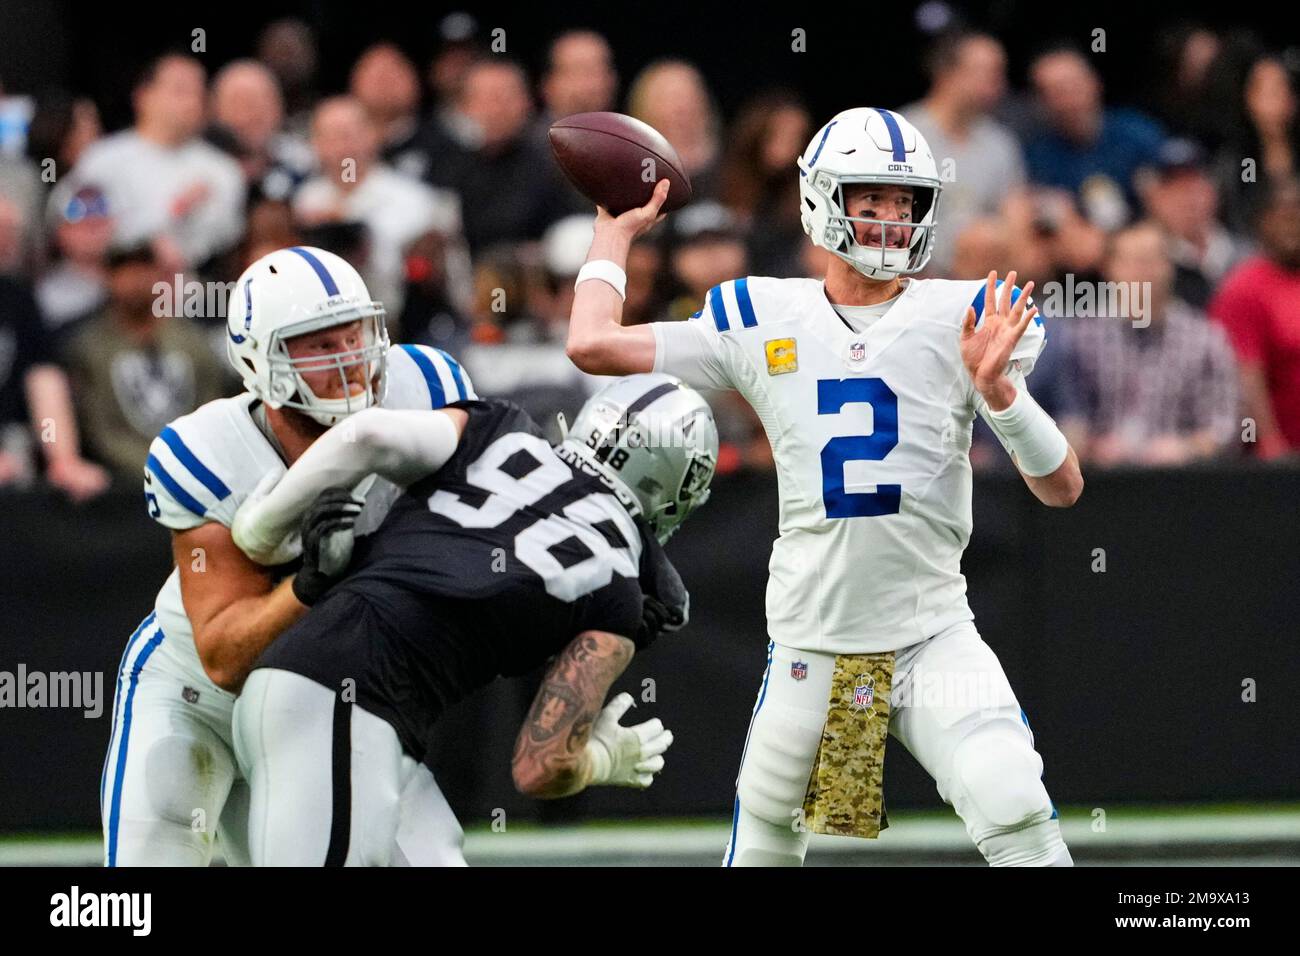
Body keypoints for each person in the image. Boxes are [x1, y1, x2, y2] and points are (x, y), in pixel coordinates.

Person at [564, 107, 1083, 867]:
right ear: (822, 200)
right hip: (821, 650)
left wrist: (1000, 394)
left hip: (930, 634)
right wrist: (613, 235)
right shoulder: (761, 313)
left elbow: (1062, 488)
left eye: (903, 204)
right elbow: (591, 343)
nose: (887, 221)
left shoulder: (963, 316)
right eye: (869, 200)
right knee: (771, 845)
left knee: (1012, 800)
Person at [228, 373, 717, 865]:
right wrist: (601, 758)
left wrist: (260, 528)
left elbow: (369, 434)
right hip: (343, 706)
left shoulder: (500, 428)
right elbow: (541, 767)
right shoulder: (618, 588)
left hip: (332, 699)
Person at [99, 245, 475, 866]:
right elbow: (221, 654)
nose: (351, 359)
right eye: (319, 344)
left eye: (353, 332)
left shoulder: (425, 388)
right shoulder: (207, 452)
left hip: (328, 697)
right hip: (198, 697)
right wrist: (307, 587)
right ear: (261, 362)